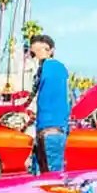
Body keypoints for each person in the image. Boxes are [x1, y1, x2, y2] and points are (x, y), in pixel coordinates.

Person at [25, 35, 70, 174]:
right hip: (51, 129)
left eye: (40, 50)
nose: (36, 55)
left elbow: (32, 93)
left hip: (49, 130)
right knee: (46, 174)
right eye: (34, 52)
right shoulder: (58, 68)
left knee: (49, 176)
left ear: (51, 50)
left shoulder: (49, 67)